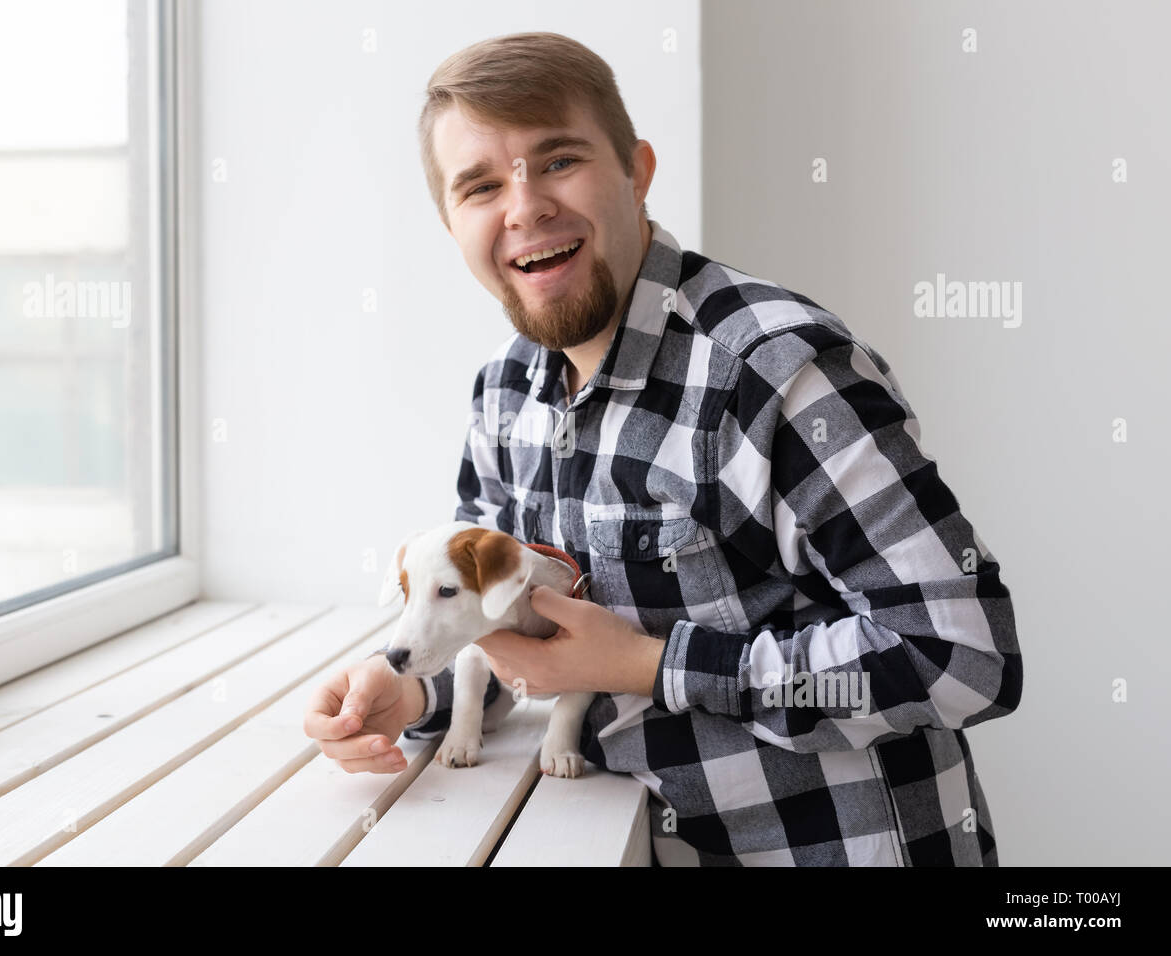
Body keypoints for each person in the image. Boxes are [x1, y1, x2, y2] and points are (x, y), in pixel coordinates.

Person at [303, 31, 1022, 866]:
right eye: (481, 186)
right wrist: (408, 687)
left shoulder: (778, 372)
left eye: (559, 160)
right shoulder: (503, 393)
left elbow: (962, 655)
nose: (524, 206)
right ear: (451, 223)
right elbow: (501, 628)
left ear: (637, 171)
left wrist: (651, 665)